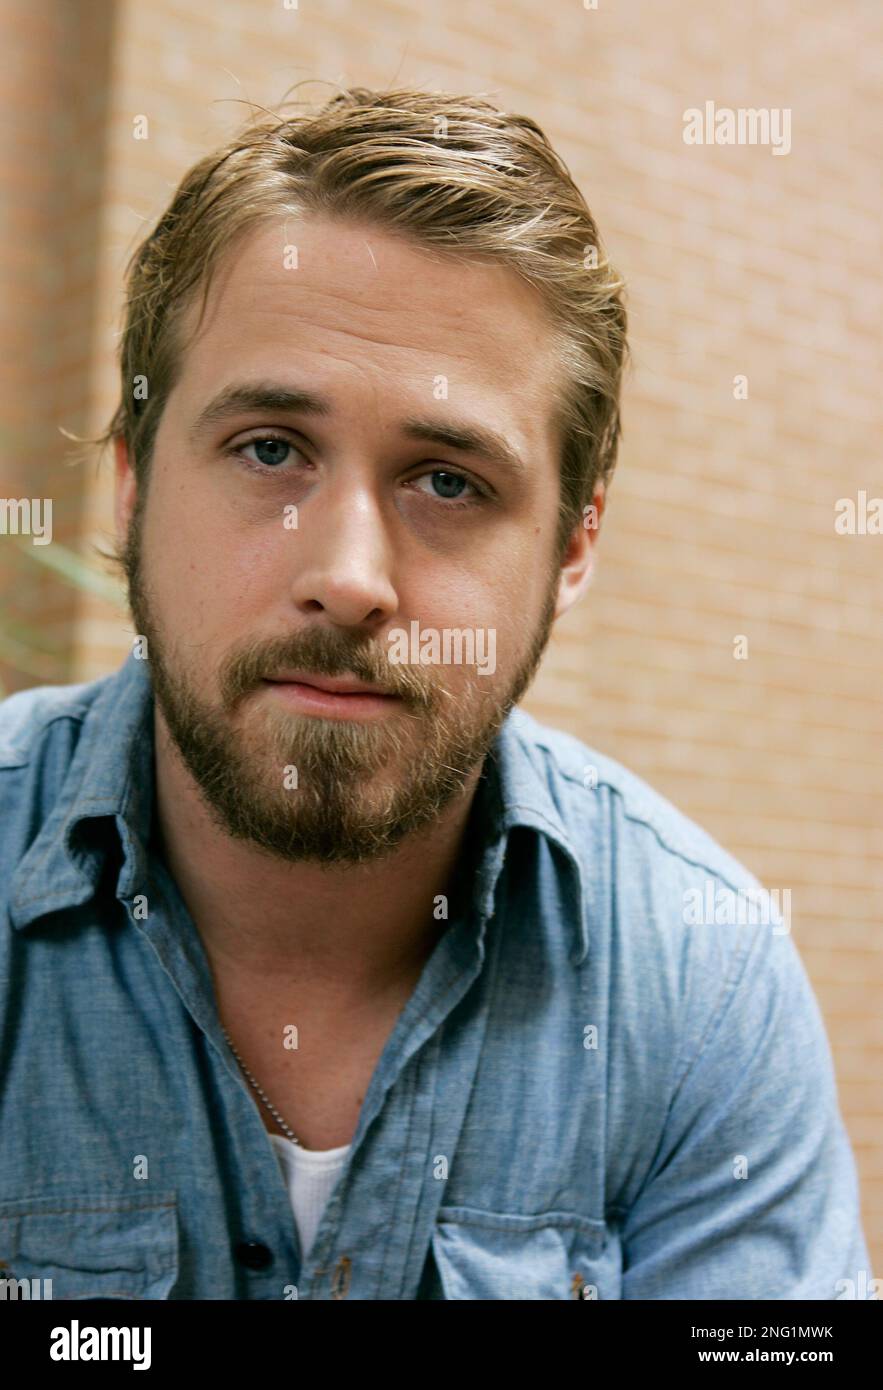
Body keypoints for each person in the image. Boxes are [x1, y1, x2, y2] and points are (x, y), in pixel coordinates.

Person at [0, 86, 870, 1300]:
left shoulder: (698, 978)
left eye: (448, 481)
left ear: (572, 544)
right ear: (135, 485)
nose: (350, 578)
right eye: (270, 449)